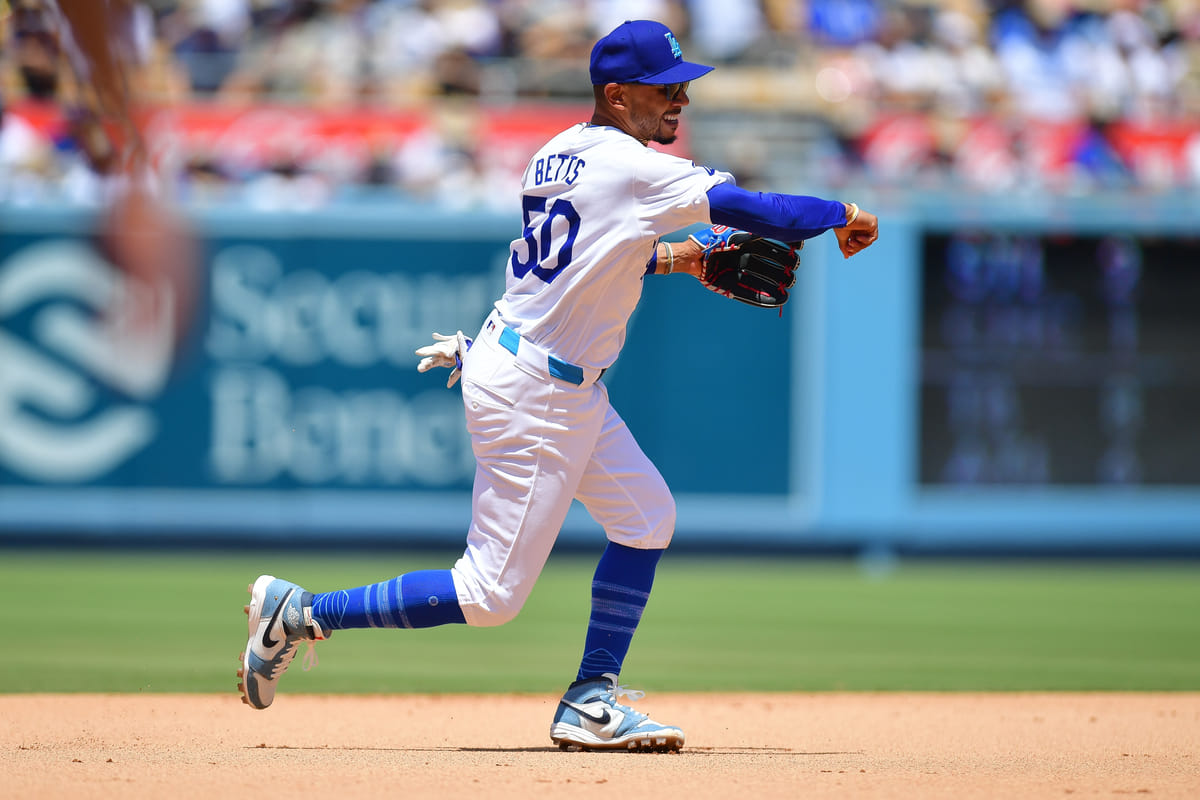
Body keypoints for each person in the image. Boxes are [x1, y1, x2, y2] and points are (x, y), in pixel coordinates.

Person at [238, 19, 879, 753]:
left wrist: (682, 260)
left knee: (647, 518)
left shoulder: (557, 153)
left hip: (539, 371)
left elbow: (595, 258)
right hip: (539, 391)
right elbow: (760, 212)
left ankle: (590, 698)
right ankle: (303, 613)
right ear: (618, 94)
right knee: (488, 595)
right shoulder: (634, 167)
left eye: (682, 86)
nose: (680, 99)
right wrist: (844, 213)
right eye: (665, 88)